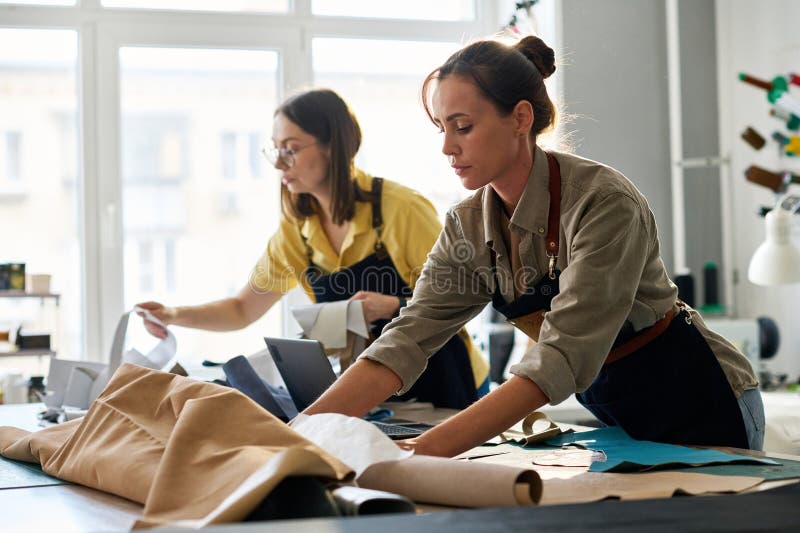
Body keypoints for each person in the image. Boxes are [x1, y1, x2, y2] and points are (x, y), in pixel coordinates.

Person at [304, 36, 764, 457]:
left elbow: (560, 356)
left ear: (521, 118)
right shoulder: (467, 225)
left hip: (703, 401)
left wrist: (420, 452)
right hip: (620, 411)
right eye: (442, 128)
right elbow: (407, 338)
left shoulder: (603, 203)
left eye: (462, 127)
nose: (447, 147)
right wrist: (299, 434)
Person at [136, 88, 489, 410]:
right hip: (377, 396)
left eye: (290, 149)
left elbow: (461, 298)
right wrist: (172, 314)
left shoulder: (402, 210)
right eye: (276, 150)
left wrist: (394, 306)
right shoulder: (296, 232)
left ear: (333, 146)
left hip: (447, 386)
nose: (279, 163)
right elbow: (242, 308)